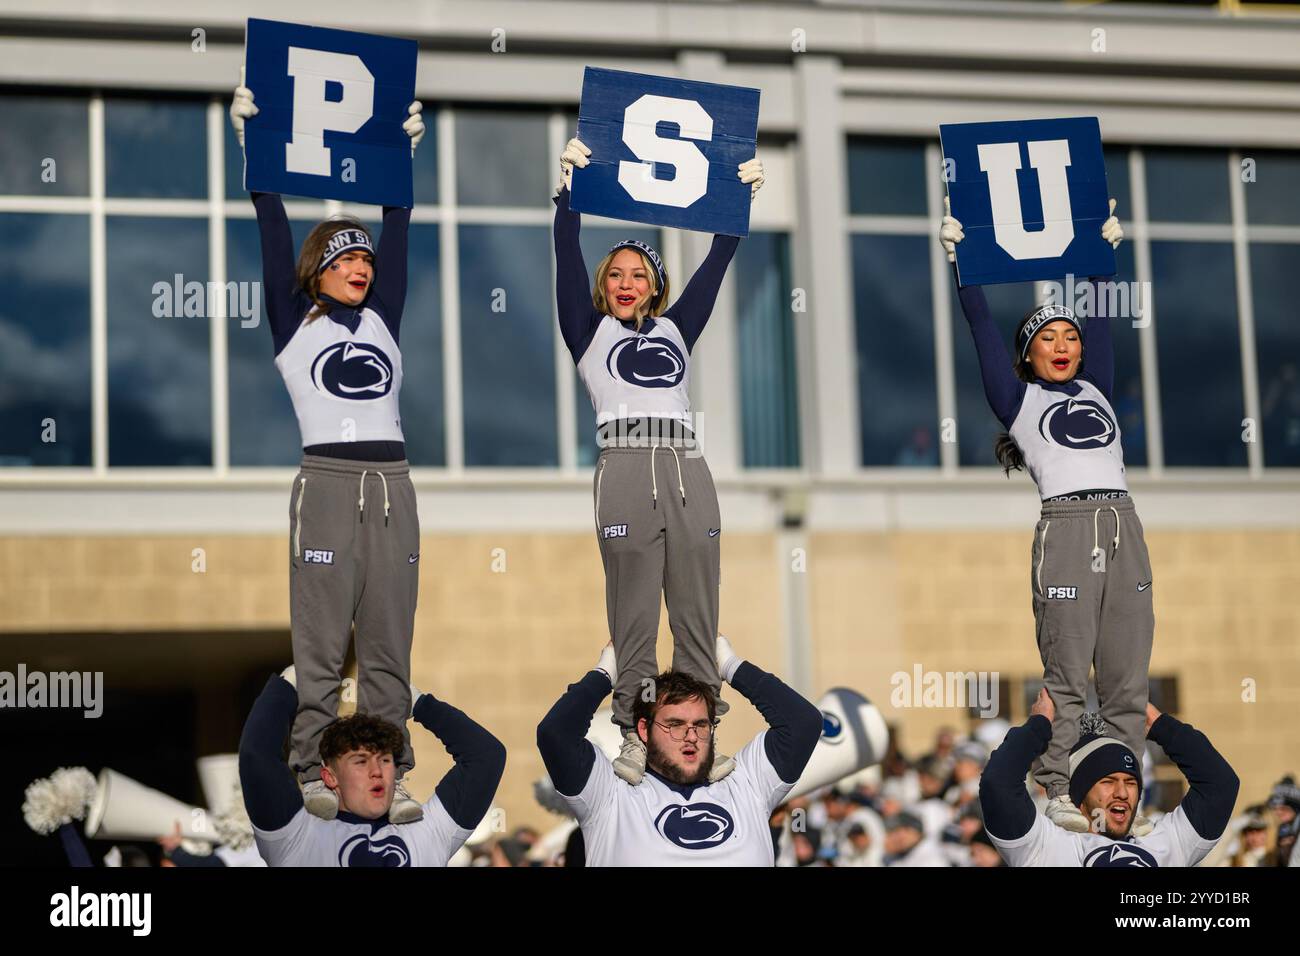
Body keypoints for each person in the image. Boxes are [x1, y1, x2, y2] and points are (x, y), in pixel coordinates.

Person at [230, 79, 428, 821]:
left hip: (394, 486)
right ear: (319, 268)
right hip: (326, 483)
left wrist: (402, 160)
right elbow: (270, 222)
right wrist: (254, 149)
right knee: (319, 647)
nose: (363, 268)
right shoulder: (293, 322)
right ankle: (314, 769)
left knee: (388, 647)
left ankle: (391, 770)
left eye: (368, 263)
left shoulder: (384, 318)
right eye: (348, 260)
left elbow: (400, 222)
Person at [552, 136, 764, 785]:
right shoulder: (587, 330)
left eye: (637, 274)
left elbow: (717, 263)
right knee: (635, 613)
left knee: (698, 608)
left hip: (685, 463)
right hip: (622, 466)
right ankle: (635, 733)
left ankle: (703, 730)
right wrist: (567, 197)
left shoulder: (677, 327)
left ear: (654, 286)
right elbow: (563, 254)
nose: (624, 283)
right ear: (602, 285)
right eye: (614, 274)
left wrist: (738, 200)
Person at [942, 197, 1154, 833]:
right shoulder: (1016, 400)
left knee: (1126, 680)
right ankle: (1060, 789)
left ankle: (1122, 794)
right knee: (1066, 676)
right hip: (1064, 528)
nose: (1062, 345)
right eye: (1047, 339)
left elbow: (1103, 317)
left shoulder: (1099, 387)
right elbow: (979, 326)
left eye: (1070, 337)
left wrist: (1101, 256)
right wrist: (963, 262)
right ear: (1028, 355)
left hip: (1125, 525)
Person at [535, 636, 821, 866]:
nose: (691, 736)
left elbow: (803, 723)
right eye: (675, 724)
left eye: (700, 724)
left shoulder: (746, 785)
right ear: (644, 730)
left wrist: (732, 667)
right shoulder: (610, 796)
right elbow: (555, 735)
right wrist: (603, 676)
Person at [238, 666, 505, 867]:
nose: (376, 771)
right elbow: (256, 757)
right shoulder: (299, 837)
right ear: (330, 777)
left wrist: (418, 703)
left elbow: (486, 756)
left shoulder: (427, 833)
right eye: (360, 761)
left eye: (385, 760)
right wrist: (290, 684)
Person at [979, 689, 1238, 866]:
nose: (1123, 793)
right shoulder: (1045, 848)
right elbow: (998, 783)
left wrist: (1160, 726)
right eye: (1108, 781)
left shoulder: (1166, 845)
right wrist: (1039, 725)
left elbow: (1220, 784)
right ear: (1080, 795)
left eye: (1131, 782)